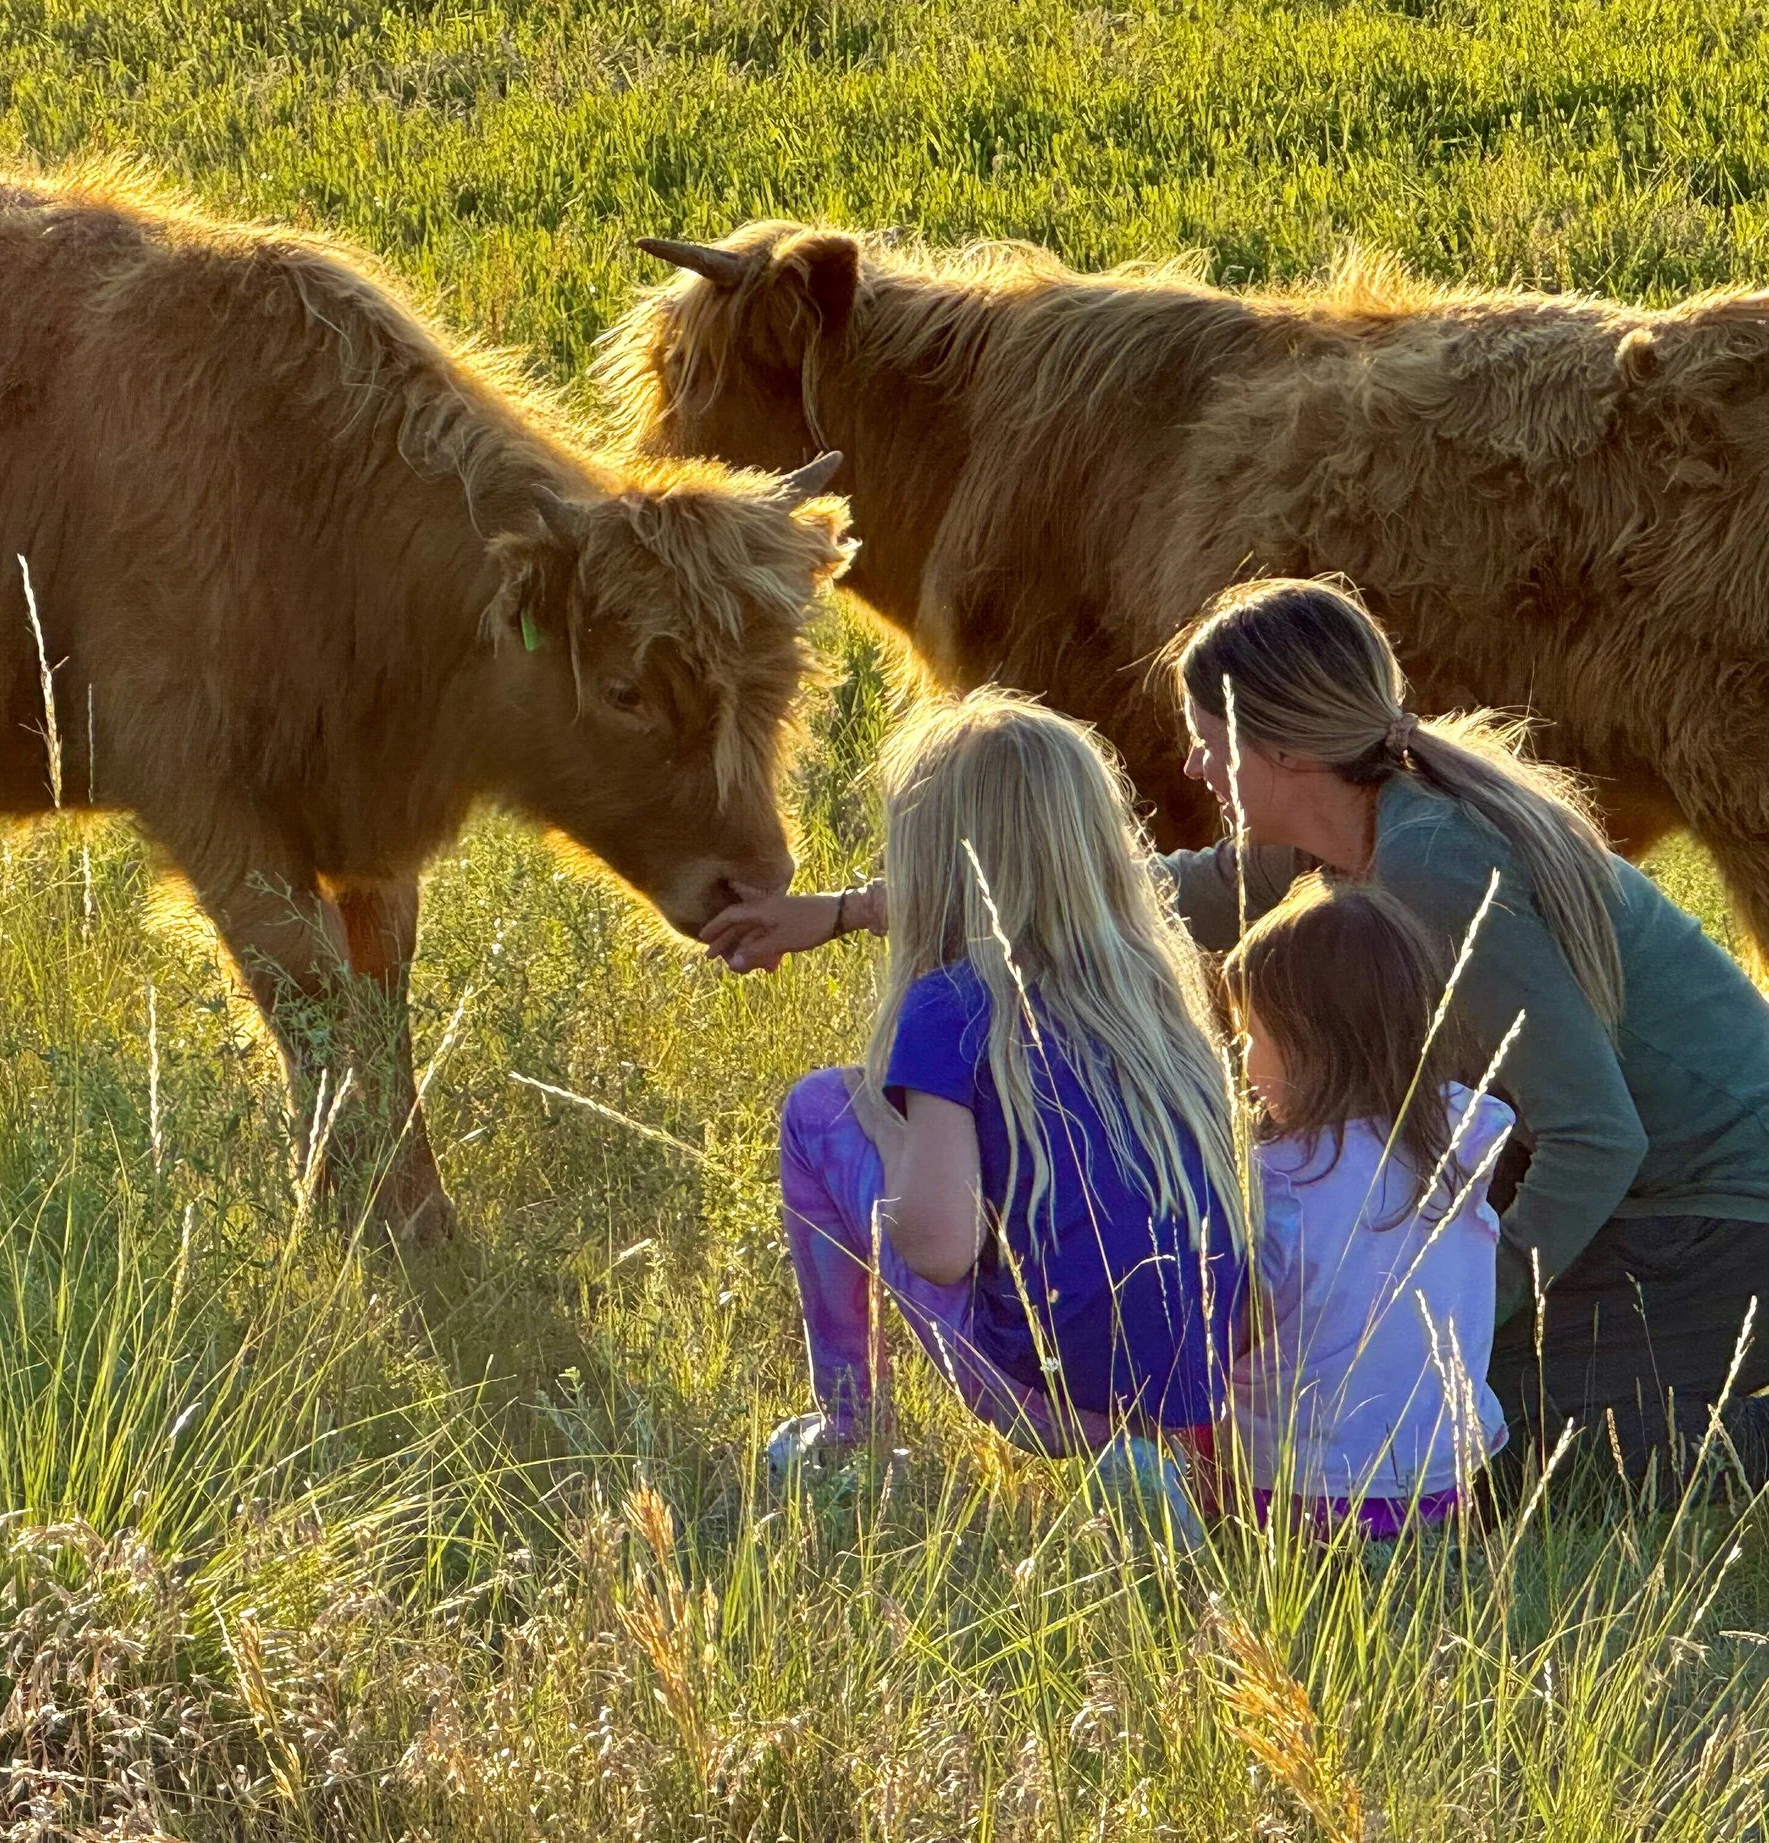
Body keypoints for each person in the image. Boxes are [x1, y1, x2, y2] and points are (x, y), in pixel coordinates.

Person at [710, 578, 1769, 1485]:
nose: (1191, 766)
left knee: (1437, 1430)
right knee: (1343, 1394)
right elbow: (1107, 893)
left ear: (1287, 749)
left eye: (1208, 742)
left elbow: (1598, 1136)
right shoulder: (1328, 835)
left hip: (1719, 1205)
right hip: (1630, 1186)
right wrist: (847, 911)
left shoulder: (1436, 867)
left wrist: (1454, 1322)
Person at [764, 690, 1246, 1513]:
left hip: (1042, 1393)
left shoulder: (950, 1008)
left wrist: (889, 1126)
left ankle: (849, 1433)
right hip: (1200, 1377)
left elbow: (938, 1247)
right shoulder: (1158, 997)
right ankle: (1167, 1461)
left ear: (929, 867)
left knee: (817, 1111)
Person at [1223, 876, 1515, 1537]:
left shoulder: (1277, 1182)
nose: (1242, 1060)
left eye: (1251, 1037)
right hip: (1442, 1479)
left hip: (1297, 1489)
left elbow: (1233, 1332)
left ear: (1309, 1045)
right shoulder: (1465, 1137)